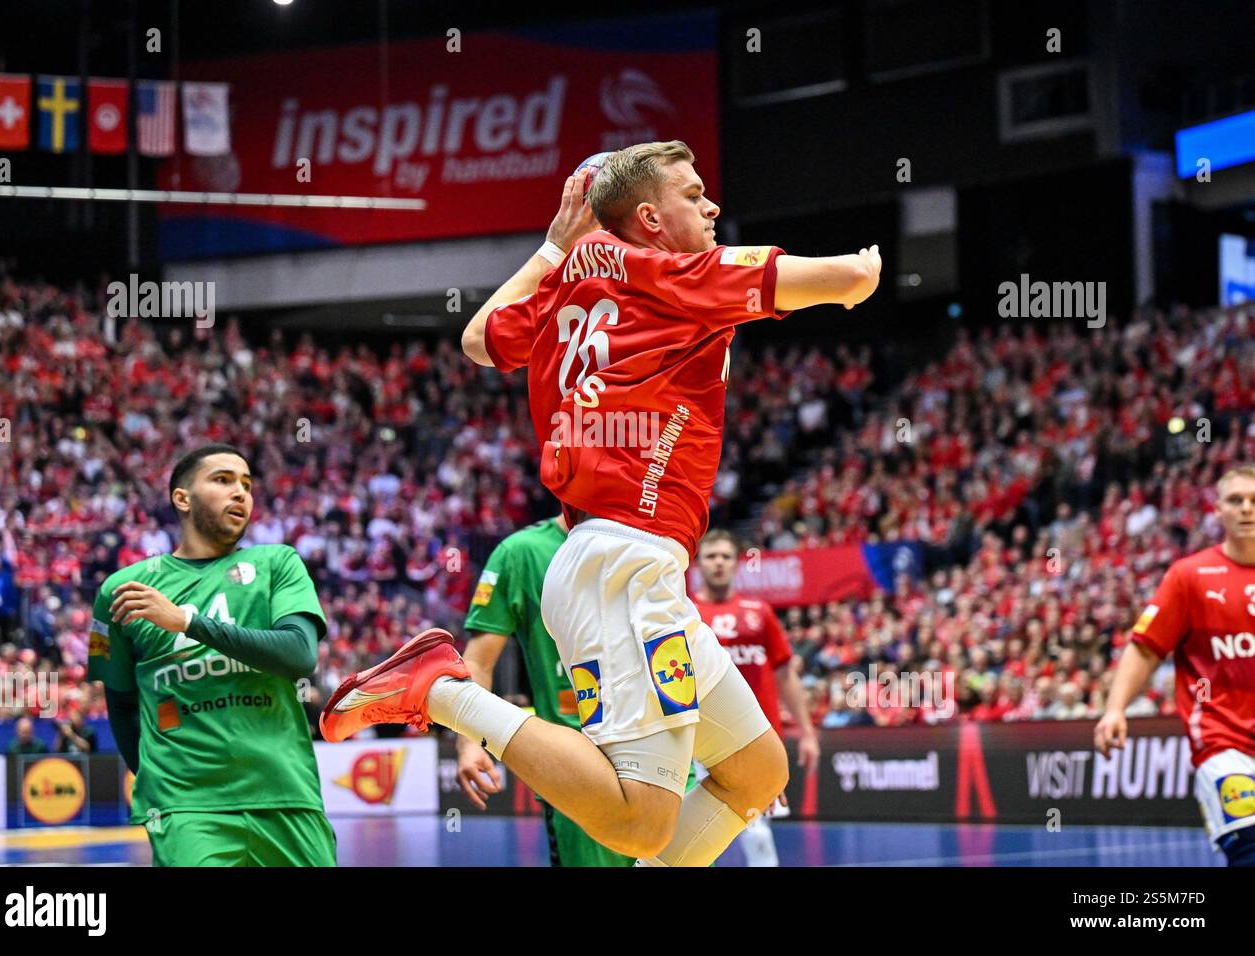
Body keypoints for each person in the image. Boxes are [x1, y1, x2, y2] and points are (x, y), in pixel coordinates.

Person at [321, 141, 881, 866]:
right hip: (621, 565)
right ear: (649, 217)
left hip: (623, 562)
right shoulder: (675, 273)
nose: (712, 207)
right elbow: (841, 278)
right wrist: (865, 268)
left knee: (758, 771)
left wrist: (553, 249)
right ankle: (441, 692)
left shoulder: (561, 289)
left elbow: (478, 338)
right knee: (642, 820)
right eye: (693, 195)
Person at [86, 443, 336, 866]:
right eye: (222, 480)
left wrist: (188, 622)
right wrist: (159, 786)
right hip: (185, 806)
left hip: (287, 793)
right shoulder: (121, 590)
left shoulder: (278, 563)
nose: (241, 492)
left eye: (246, 484)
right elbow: (121, 703)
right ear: (182, 498)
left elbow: (298, 654)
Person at [1095, 465, 1255, 867]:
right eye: (1235, 500)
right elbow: (1145, 648)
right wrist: (1115, 708)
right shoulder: (1189, 576)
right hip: (1225, 743)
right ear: (1217, 511)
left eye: (1254, 501)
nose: (1246, 509)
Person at [457, 513, 632, 866]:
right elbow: (478, 662)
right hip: (577, 772)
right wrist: (469, 739)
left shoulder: (651, 537)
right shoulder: (522, 552)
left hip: (669, 765)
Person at [690, 529, 820, 866]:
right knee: (691, 832)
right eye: (710, 556)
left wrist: (806, 733)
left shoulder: (759, 612)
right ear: (698, 564)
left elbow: (785, 674)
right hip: (696, 741)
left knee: (757, 831)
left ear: (736, 563)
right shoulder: (685, 613)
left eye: (725, 556)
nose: (718, 562)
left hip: (753, 739)